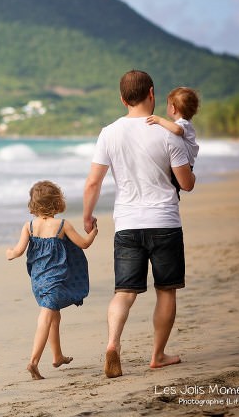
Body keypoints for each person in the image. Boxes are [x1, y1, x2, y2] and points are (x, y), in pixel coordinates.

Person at [83, 70, 195, 379]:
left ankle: (112, 343)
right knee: (166, 290)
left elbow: (93, 182)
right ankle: (157, 355)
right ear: (152, 93)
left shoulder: (109, 133)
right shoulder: (168, 133)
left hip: (127, 224)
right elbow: (186, 184)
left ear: (122, 99)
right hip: (164, 222)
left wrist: (87, 216)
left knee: (124, 292)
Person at [6, 180, 98, 380]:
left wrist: (10, 253)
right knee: (46, 317)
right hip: (56, 280)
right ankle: (33, 361)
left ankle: (57, 356)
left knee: (55, 315)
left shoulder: (29, 226)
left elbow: (18, 251)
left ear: (33, 203)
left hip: (38, 281)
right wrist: (93, 233)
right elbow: (83, 244)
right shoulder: (62, 225)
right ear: (57, 202)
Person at [146, 87, 200, 198]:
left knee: (173, 184)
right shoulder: (187, 123)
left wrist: (159, 120)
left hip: (184, 165)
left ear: (173, 108)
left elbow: (177, 130)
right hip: (185, 164)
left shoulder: (183, 124)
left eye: (168, 104)